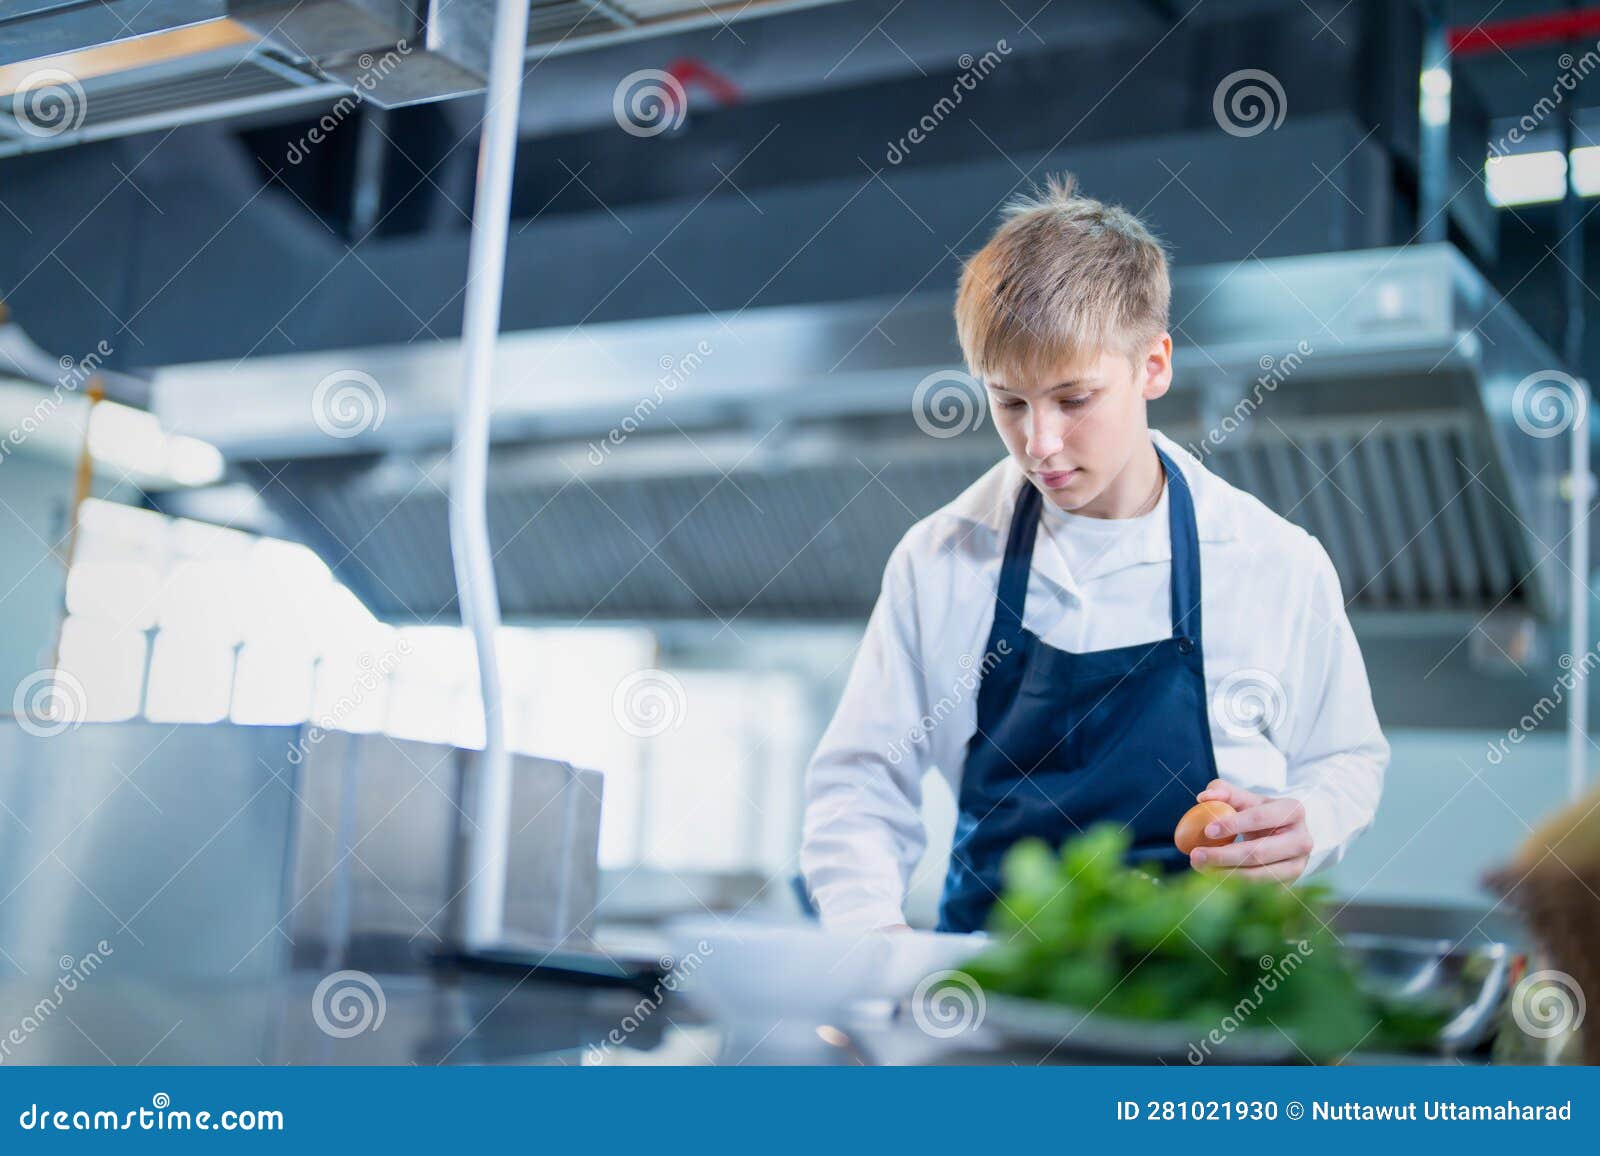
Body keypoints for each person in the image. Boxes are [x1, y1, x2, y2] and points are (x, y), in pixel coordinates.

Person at [799, 173, 1387, 934]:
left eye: (1073, 399)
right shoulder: (940, 559)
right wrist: (871, 944)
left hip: (1202, 995)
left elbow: (1346, 758)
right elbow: (861, 788)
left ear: (1153, 366)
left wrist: (1309, 822)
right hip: (988, 994)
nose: (1039, 444)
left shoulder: (1271, 560)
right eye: (1008, 401)